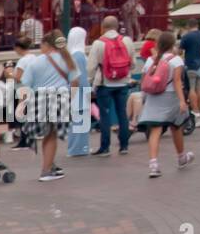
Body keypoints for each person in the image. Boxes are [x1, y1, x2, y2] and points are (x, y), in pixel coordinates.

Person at [20, 31, 79, 181]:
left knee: (48, 134)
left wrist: (23, 104)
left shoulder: (35, 62)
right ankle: (46, 170)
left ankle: (49, 166)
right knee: (51, 135)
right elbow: (75, 83)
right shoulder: (68, 60)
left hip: (39, 99)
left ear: (47, 44)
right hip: (60, 98)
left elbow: (26, 84)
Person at [140, 30, 194, 178]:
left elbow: (144, 80)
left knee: (155, 130)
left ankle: (153, 164)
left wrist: (143, 96)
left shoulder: (151, 60)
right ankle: (181, 157)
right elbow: (177, 81)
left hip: (153, 97)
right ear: (172, 44)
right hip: (171, 97)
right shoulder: (176, 60)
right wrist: (182, 100)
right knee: (176, 126)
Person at [88, 16, 136, 156]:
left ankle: (105, 147)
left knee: (105, 114)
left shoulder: (98, 43)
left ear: (103, 27)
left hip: (105, 83)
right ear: (116, 26)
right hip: (123, 82)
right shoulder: (127, 41)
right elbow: (132, 63)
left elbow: (91, 67)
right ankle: (124, 146)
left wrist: (91, 82)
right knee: (122, 113)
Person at [65, 26, 91, 157]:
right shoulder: (79, 55)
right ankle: (79, 148)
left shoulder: (71, 54)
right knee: (81, 120)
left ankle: (76, 147)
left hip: (74, 91)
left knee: (76, 119)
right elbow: (81, 78)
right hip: (80, 92)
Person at [179, 20, 200, 120]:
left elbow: (180, 51)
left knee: (191, 88)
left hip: (190, 64)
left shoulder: (186, 36)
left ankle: (195, 110)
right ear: (197, 25)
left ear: (188, 26)